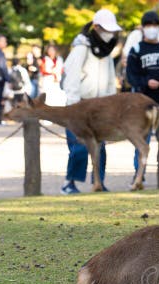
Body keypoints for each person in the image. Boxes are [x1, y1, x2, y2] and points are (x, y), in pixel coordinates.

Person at [60, 8, 121, 194]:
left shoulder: (107, 52)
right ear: (95, 27)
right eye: (105, 29)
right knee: (79, 146)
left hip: (100, 107)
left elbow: (111, 80)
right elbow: (71, 77)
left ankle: (98, 181)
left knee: (100, 147)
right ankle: (70, 183)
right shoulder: (81, 48)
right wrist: (73, 105)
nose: (109, 34)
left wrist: (112, 106)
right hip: (79, 105)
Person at [126, 10, 159, 182]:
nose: (151, 29)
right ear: (143, 28)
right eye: (148, 25)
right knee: (141, 141)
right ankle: (139, 175)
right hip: (142, 105)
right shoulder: (136, 50)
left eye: (154, 25)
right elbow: (131, 77)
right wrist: (145, 82)